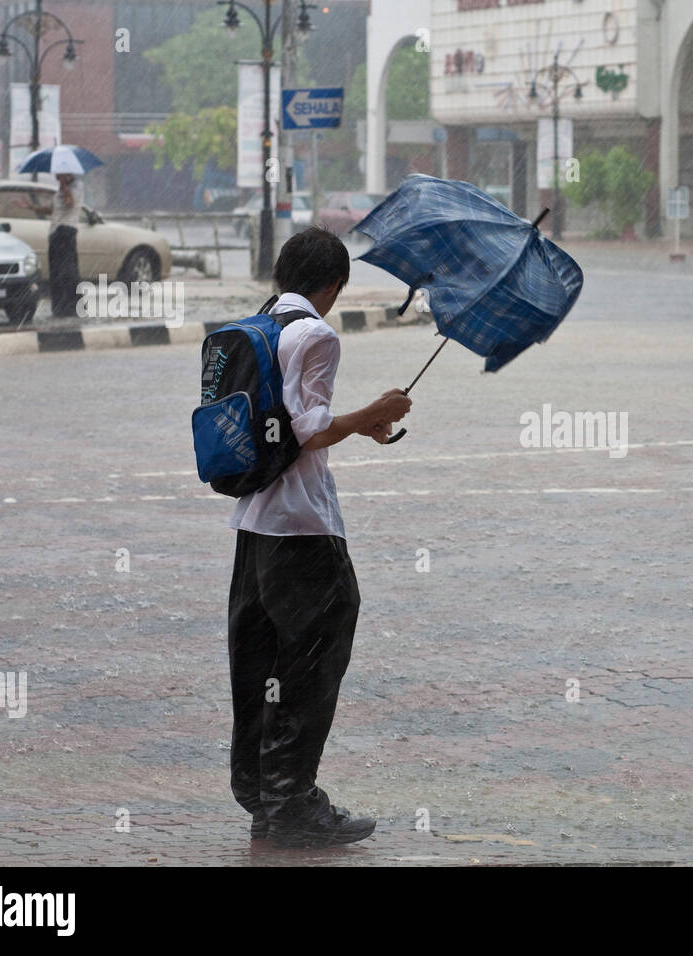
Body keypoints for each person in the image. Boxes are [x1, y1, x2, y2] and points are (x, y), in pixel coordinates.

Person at [226, 227, 412, 848]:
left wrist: (357, 425)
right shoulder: (318, 334)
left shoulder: (260, 325)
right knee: (311, 661)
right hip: (302, 528)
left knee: (260, 664)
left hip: (253, 525)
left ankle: (261, 794)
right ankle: (294, 805)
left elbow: (282, 423)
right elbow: (307, 430)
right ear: (332, 286)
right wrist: (374, 413)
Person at [48, 170, 83, 317]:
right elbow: (53, 210)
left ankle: (73, 306)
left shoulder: (76, 186)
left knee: (68, 271)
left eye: (58, 173)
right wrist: (30, 207)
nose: (55, 175)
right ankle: (59, 307)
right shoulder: (60, 190)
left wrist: (63, 183)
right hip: (55, 232)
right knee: (56, 271)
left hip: (66, 231)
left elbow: (70, 203)